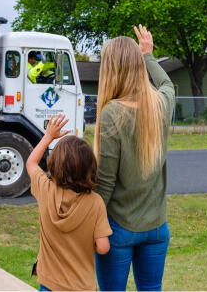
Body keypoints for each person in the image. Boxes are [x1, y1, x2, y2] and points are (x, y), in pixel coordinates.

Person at [93, 25, 175, 291]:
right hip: (157, 227)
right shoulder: (161, 104)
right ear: (138, 66)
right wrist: (148, 55)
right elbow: (166, 84)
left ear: (111, 69)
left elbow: (104, 183)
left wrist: (89, 223)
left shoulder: (112, 113)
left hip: (118, 228)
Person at [26, 113, 112, 291]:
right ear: (90, 168)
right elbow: (103, 248)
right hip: (82, 286)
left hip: (50, 284)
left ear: (55, 164)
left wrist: (49, 136)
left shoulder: (46, 190)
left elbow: (31, 163)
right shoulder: (95, 202)